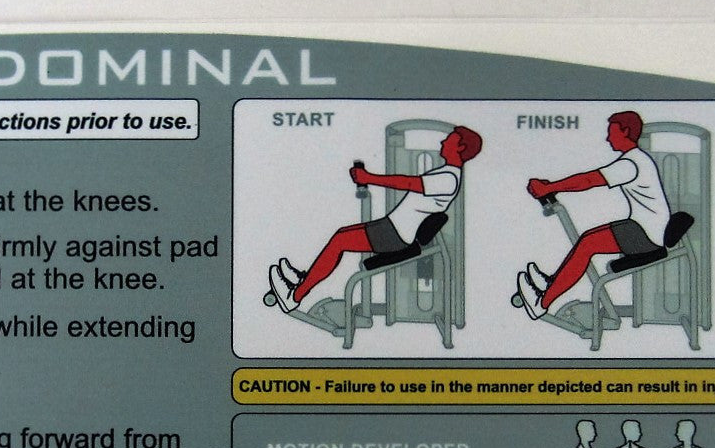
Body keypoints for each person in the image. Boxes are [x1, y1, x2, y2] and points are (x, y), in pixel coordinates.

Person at [268, 126, 483, 312]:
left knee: (340, 241)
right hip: (391, 228)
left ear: (460, 147)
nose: (443, 142)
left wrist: (368, 178)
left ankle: (295, 297)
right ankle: (303, 280)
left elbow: (409, 183)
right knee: (341, 236)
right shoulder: (446, 173)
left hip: (395, 235)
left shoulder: (448, 179)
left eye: (450, 140)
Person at [517, 110, 669, 318]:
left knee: (588, 245)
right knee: (587, 239)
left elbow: (589, 180)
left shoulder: (631, 163)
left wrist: (549, 188)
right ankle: (552, 282)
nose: (608, 138)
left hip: (646, 234)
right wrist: (551, 186)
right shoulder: (635, 159)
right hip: (643, 227)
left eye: (611, 133)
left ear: (625, 132)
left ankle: (542, 303)